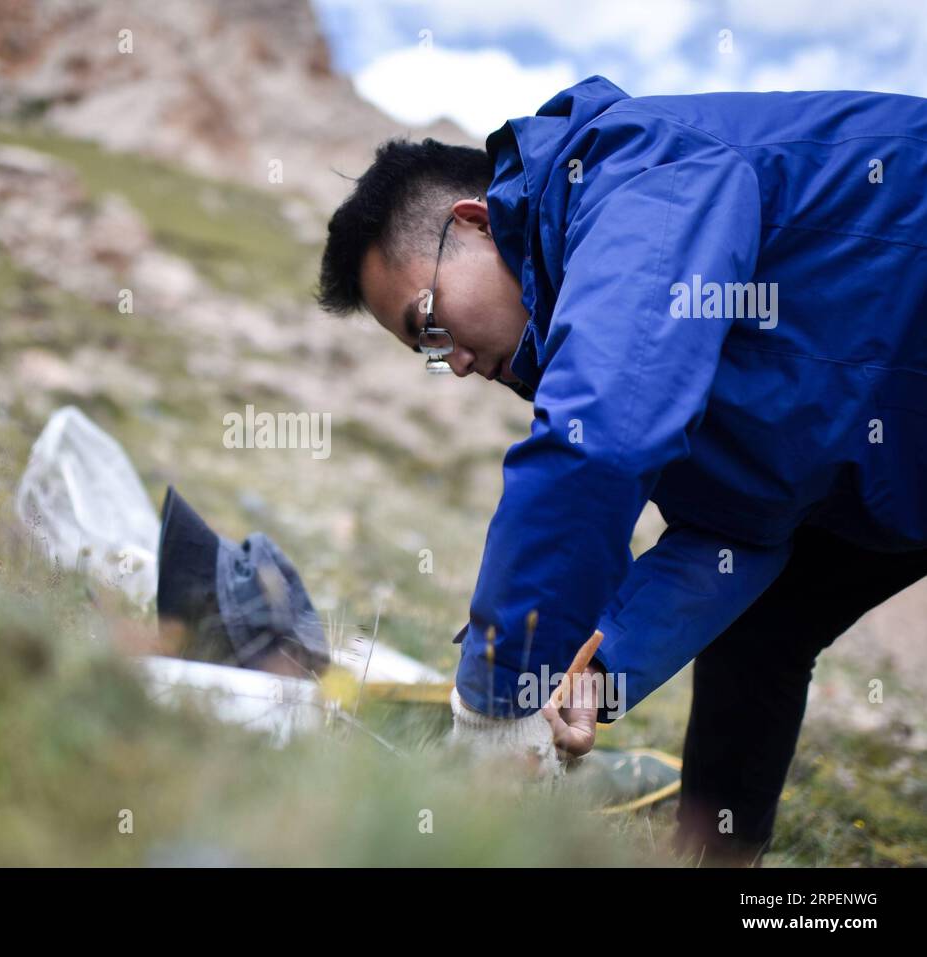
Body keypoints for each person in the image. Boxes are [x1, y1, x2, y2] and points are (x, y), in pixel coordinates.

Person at [316, 75, 927, 865]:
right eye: (428, 358)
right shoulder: (597, 333)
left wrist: (502, 692)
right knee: (762, 636)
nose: (455, 363)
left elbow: (601, 433)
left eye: (431, 327)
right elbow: (739, 532)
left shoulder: (637, 173)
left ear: (471, 223)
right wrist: (591, 669)